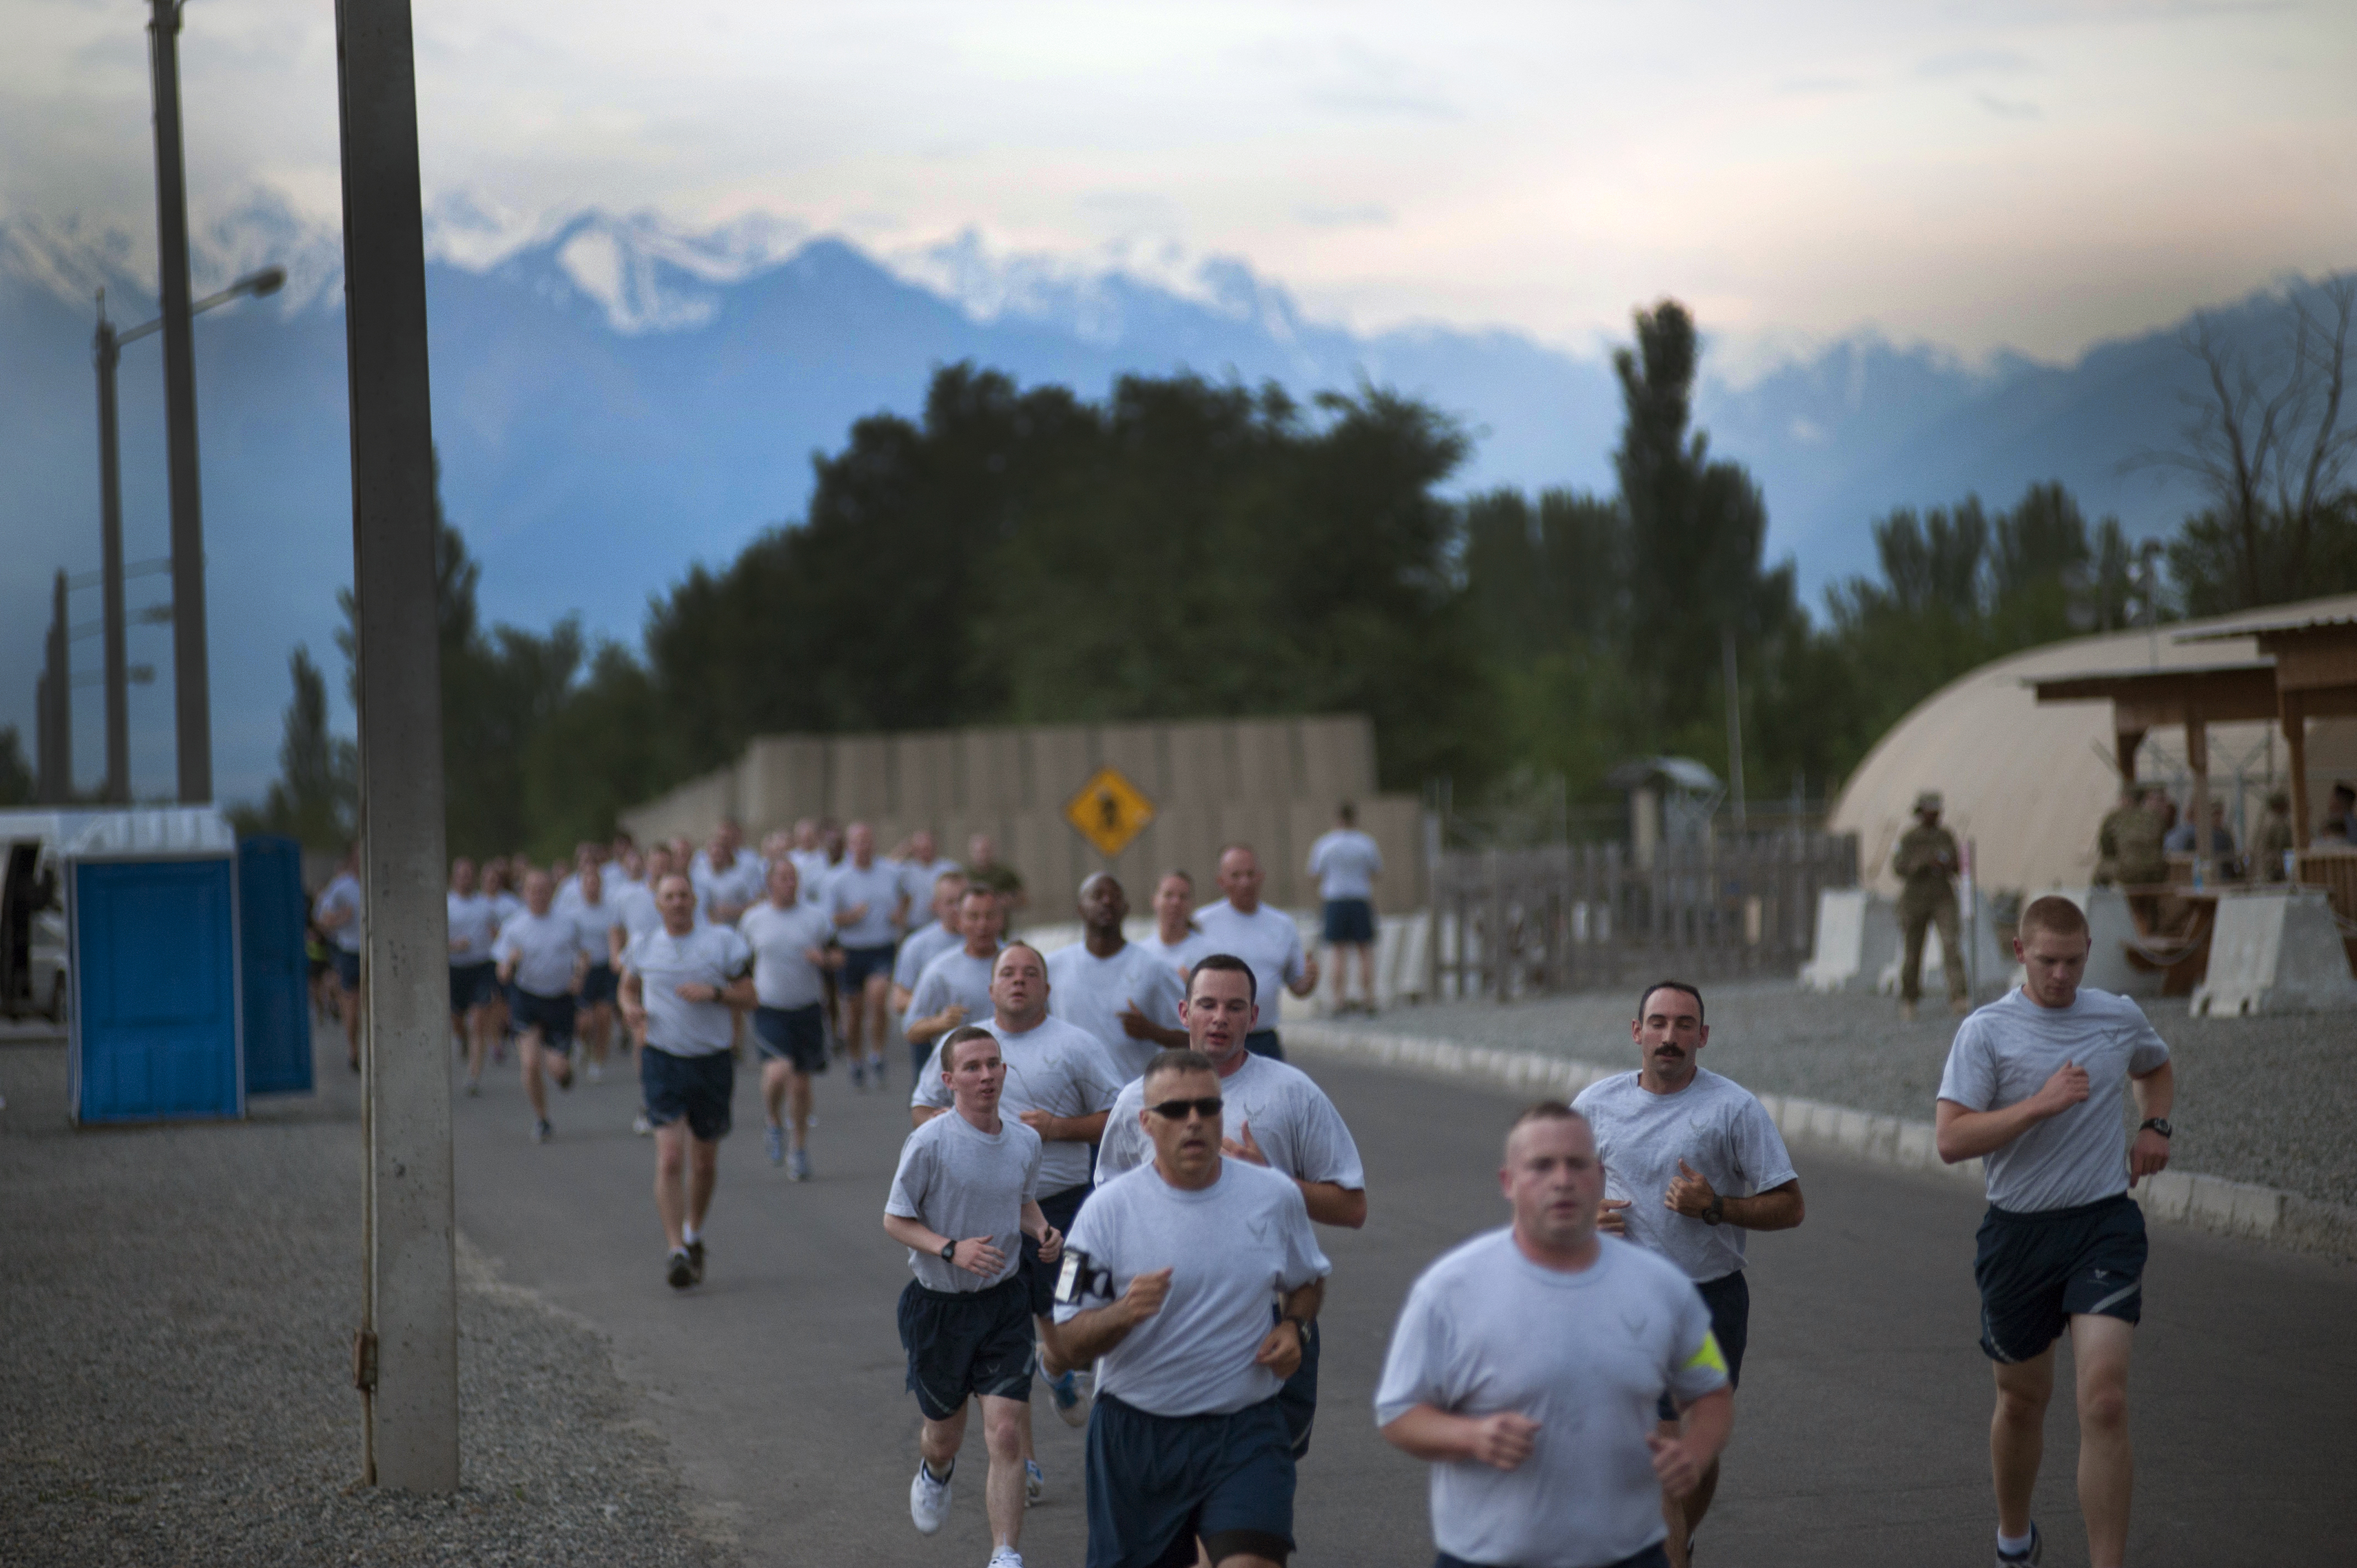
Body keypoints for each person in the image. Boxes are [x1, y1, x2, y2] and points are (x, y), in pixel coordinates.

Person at [1376, 1103, 1735, 1568]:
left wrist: (1695, 1451)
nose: (1562, 1179)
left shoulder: (1660, 1286)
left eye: (1577, 1164)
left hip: (1628, 1553)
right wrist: (1472, 1436)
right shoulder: (1450, 1290)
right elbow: (1399, 1412)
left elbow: (1712, 1394)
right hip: (1489, 1556)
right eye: (1542, 1166)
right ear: (1508, 1182)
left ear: (1600, 1176)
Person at [1934, 894, 2175, 1568]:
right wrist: (2037, 1105)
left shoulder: (2115, 1015)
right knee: (2021, 1401)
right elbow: (1950, 1139)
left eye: (2072, 961)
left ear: (2087, 952)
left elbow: (2153, 1066)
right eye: (2047, 961)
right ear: (2019, 953)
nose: (2061, 976)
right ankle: (2014, 1539)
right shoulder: (1985, 1031)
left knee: (2102, 1399)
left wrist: (2154, 1124)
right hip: (2017, 1233)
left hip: (2101, 1223)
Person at [1046, 1048, 1331, 1568]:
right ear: (1147, 1123)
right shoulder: (1104, 1214)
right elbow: (1066, 1345)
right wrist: (1123, 1313)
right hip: (1139, 1436)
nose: (1195, 1121)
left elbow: (1308, 1278)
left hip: (1244, 1430)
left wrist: (1294, 1326)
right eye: (1176, 1110)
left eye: (1208, 1107)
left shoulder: (1273, 1195)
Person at [1096, 952, 1365, 1463]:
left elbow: (1353, 1207)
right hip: (1170, 1318)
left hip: (1270, 1316)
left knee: (1260, 1481)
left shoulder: (1292, 1094)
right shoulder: (1137, 1103)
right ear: (1183, 1013)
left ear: (1254, 1017)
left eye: (1234, 1007)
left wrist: (1273, 1181)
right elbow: (1106, 1216)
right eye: (1208, 1005)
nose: (1219, 1018)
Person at [1574, 981, 1803, 1568]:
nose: (1668, 1037)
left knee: (1692, 1461)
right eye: (1656, 1023)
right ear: (1635, 1032)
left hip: (1708, 1302)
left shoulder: (1732, 1109)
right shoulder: (1593, 1107)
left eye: (1682, 1025)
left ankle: (1680, 1540)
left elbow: (1789, 1205)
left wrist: (1716, 1207)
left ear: (1702, 1036)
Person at [914, 943, 1126, 1483]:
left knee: (1061, 1325)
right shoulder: (960, 1046)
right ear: (989, 989)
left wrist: (1057, 1129)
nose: (1018, 981)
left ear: (1047, 989)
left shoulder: (1076, 1046)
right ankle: (1023, 1460)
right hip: (984, 1211)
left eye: (1030, 973)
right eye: (1007, 973)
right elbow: (921, 1110)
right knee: (1009, 1330)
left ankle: (1056, 1367)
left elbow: (1118, 1117)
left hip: (1066, 1209)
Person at [886, 1025, 1064, 1568]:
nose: (986, 1075)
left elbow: (1021, 1200)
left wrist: (1042, 1230)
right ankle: (935, 1472)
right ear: (949, 1080)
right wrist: (949, 1250)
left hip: (1003, 1304)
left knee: (1006, 1431)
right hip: (939, 1306)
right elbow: (895, 1219)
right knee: (944, 1437)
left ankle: (1005, 1554)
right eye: (972, 1067)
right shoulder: (929, 1143)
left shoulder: (1025, 1140)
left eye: (993, 1064)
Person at [620, 871, 756, 1290]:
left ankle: (694, 1231)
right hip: (663, 1060)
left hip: (711, 1062)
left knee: (704, 1162)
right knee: (671, 1158)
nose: (677, 902)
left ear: (694, 900)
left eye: (683, 895)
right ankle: (676, 1249)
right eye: (669, 896)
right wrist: (630, 1010)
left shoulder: (722, 942)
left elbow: (751, 996)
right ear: (658, 904)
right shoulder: (643, 945)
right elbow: (627, 988)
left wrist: (714, 994)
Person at [740, 858, 839, 1177]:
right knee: (777, 1073)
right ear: (769, 883)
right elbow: (740, 963)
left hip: (807, 1008)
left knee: (800, 1086)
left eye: (792, 878)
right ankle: (772, 1121)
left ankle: (798, 1148)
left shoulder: (816, 918)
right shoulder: (754, 920)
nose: (789, 883)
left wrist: (823, 959)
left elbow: (839, 957)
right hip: (769, 1007)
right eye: (782, 878)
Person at [1048, 874, 1190, 1081]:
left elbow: (1193, 1039)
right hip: (1071, 1101)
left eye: (1115, 897)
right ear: (1080, 908)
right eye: (1097, 896)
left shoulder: (1155, 968)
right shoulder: (1053, 967)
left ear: (1126, 908)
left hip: (1134, 1100)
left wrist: (1152, 1032)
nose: (1107, 901)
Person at [1195, 845, 1318, 1060]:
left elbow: (1297, 986)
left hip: (1264, 1039)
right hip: (1216, 1039)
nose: (1245, 882)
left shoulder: (1282, 925)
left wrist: (1310, 980)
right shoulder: (1202, 924)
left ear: (1261, 877)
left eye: (1251, 874)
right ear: (1221, 882)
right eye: (1236, 876)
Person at [494, 869, 586, 1144]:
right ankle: (542, 1119)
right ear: (525, 893)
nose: (538, 895)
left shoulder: (568, 923)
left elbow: (583, 956)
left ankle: (565, 1073)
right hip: (527, 999)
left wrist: (579, 975)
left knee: (557, 1069)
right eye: (533, 890)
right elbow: (502, 972)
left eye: (544, 889)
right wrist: (510, 962)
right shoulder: (514, 926)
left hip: (560, 1000)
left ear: (552, 892)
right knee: (531, 1064)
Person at [828, 821, 907, 1089]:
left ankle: (877, 1054)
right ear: (849, 846)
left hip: (881, 946)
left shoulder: (890, 872)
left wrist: (900, 915)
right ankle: (855, 1058)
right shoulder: (838, 878)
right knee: (854, 1012)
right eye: (857, 842)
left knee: (877, 997)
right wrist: (850, 917)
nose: (863, 847)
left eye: (867, 841)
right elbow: (828, 919)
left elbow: (905, 897)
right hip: (852, 949)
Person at [904, 885, 1005, 1061]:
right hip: (964, 1073)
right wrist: (940, 1022)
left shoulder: (1019, 963)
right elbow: (911, 1029)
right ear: (959, 922)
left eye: (989, 916)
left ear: (1001, 920)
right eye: (973, 917)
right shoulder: (940, 970)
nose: (982, 925)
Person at [1893, 789, 1968, 1020]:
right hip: (1915, 900)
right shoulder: (1909, 839)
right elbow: (1899, 867)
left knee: (1950, 946)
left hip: (1942, 897)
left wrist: (1948, 864)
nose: (1934, 815)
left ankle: (1959, 996)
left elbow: (1958, 865)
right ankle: (1909, 998)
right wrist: (1925, 862)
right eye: (1930, 811)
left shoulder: (1946, 836)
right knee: (1914, 952)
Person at [893, 870, 972, 1081]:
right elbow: (899, 1000)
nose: (957, 909)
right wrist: (938, 1013)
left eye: (962, 901)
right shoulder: (917, 946)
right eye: (950, 902)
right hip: (931, 1039)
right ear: (935, 906)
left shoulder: (988, 944)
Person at [1305, 804, 1384, 1015]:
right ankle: (1368, 999)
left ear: (1337, 818)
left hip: (1335, 900)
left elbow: (1315, 874)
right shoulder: (1365, 843)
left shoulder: (1326, 844)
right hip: (1359, 899)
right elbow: (1376, 872)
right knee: (1365, 950)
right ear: (1355, 819)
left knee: (1338, 952)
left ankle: (1338, 1000)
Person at [446, 856, 502, 1096]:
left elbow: (500, 934)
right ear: (454, 878)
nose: (466, 878)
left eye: (470, 873)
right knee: (456, 1019)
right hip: (454, 968)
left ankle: (473, 1076)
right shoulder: (446, 905)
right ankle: (461, 1038)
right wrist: (452, 945)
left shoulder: (486, 906)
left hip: (480, 966)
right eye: (462, 874)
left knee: (478, 1020)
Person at [572, 860, 626, 1082]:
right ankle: (583, 1044)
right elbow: (568, 942)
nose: (592, 887)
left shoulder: (612, 910)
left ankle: (598, 1062)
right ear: (582, 886)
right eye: (588, 883)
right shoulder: (573, 913)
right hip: (584, 971)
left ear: (601, 885)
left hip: (606, 968)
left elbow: (620, 935)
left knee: (604, 1018)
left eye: (596, 883)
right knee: (584, 1023)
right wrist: (578, 961)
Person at [314, 845, 364, 1074]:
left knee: (371, 1006)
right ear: (352, 860)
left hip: (373, 952)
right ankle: (353, 1048)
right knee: (352, 1007)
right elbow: (322, 919)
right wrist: (340, 918)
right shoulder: (340, 887)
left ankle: (371, 1050)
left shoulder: (379, 883)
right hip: (349, 952)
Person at [1139, 869, 1212, 983]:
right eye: (1169, 895)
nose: (1176, 902)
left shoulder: (1208, 954)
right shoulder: (1142, 953)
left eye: (1183, 897)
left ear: (1192, 903)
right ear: (1155, 901)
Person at [692, 819, 763, 927]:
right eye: (713, 854)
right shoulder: (698, 874)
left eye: (719, 855)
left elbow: (755, 904)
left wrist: (734, 911)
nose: (716, 858)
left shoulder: (738, 879)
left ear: (726, 855)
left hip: (734, 927)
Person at [2093, 785, 2165, 889]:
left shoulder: (2115, 817)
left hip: (2128, 872)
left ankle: (2104, 903)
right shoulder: (2154, 817)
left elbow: (2106, 848)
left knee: (2101, 870)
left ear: (2125, 798)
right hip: (2157, 873)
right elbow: (2160, 843)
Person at [898, 829, 960, 930]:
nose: (924, 852)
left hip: (943, 925)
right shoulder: (906, 870)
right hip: (914, 926)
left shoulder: (950, 868)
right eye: (920, 849)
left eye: (927, 848)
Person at [966, 832, 1027, 911]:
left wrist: (1007, 901)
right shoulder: (966, 874)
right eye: (978, 852)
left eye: (985, 851)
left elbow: (1023, 899)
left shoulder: (1005, 874)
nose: (982, 856)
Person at [2251, 788, 2294, 881]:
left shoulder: (2265, 821)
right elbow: (2282, 846)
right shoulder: (2278, 823)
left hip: (2261, 868)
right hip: (2272, 869)